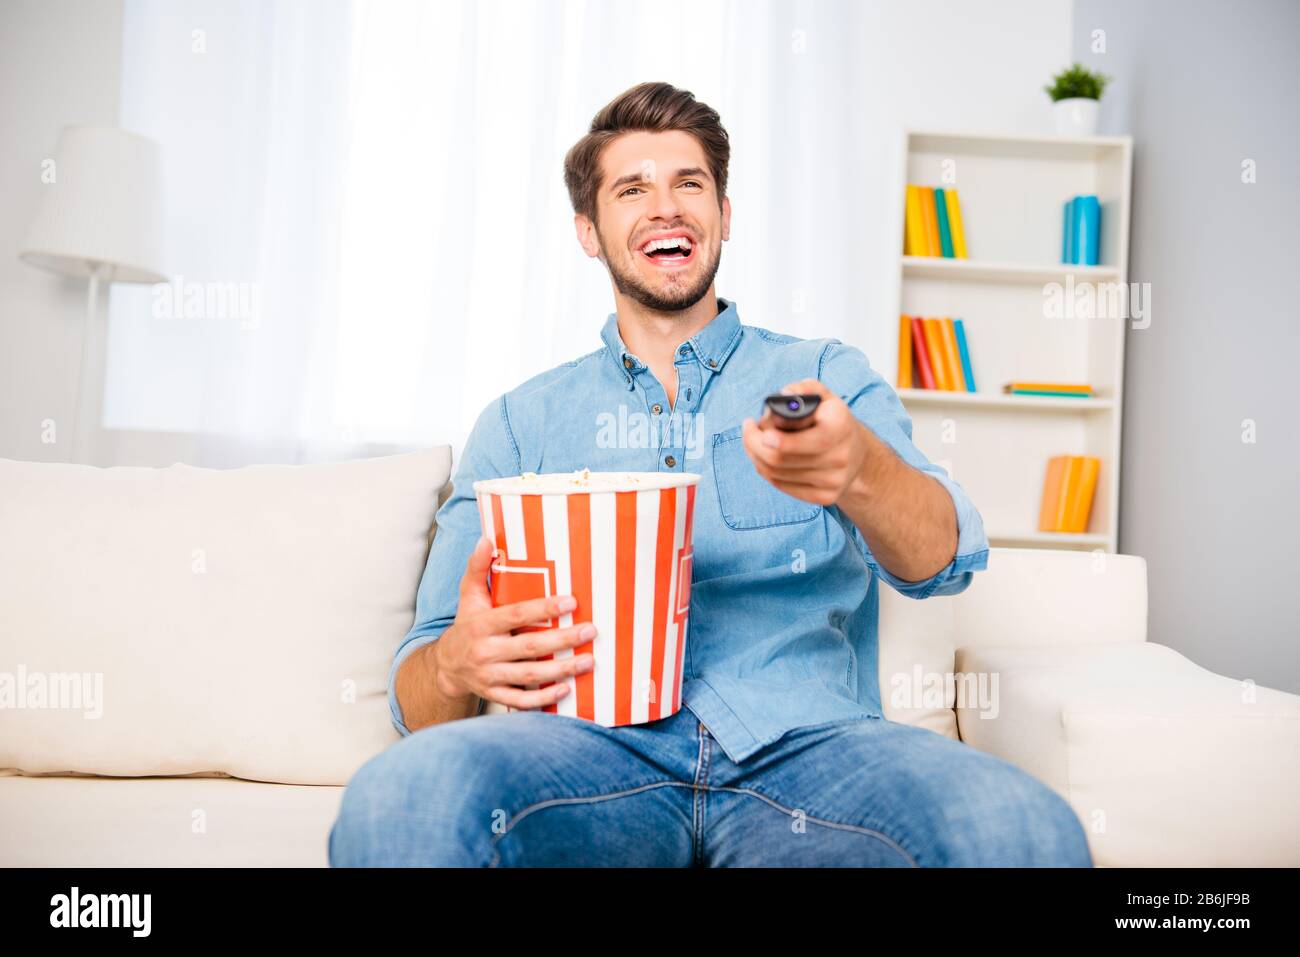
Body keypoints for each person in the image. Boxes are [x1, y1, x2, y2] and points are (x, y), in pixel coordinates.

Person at [328, 81, 1092, 867]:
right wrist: (459, 660)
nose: (666, 207)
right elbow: (417, 698)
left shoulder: (821, 375)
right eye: (633, 190)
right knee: (398, 797)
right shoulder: (521, 423)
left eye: (689, 184)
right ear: (589, 232)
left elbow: (944, 561)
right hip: (586, 764)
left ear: (724, 216)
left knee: (1021, 828)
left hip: (809, 758)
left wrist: (860, 471)